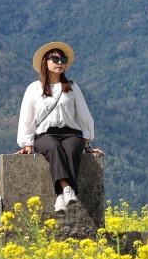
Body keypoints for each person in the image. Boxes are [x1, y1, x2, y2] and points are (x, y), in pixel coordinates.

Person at [16, 42, 103, 212]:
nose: (60, 63)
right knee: (54, 147)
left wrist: (87, 142)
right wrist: (27, 145)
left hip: (71, 133)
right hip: (45, 135)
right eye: (55, 59)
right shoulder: (34, 89)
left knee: (72, 149)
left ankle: (61, 196)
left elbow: (83, 115)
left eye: (63, 59)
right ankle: (67, 188)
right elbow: (27, 117)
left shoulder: (72, 87)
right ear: (45, 62)